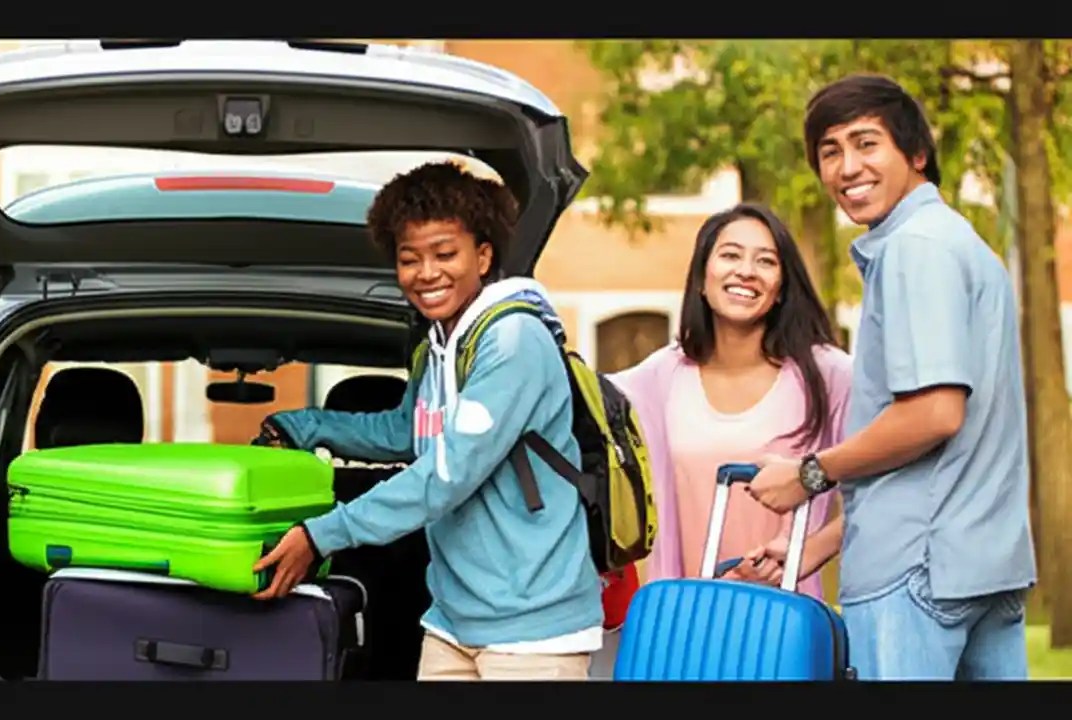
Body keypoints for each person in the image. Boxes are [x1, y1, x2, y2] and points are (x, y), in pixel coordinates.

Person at [249, 160, 604, 681]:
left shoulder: (513, 341)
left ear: (483, 256)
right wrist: (305, 426)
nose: (427, 274)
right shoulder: (438, 346)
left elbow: (446, 475)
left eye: (445, 254)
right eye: (409, 258)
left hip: (533, 628)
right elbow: (405, 433)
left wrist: (323, 534)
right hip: (452, 620)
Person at [746, 73, 1037, 681]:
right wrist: (819, 545)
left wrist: (808, 474)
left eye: (866, 143)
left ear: (917, 154)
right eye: (830, 152)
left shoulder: (914, 248)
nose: (847, 167)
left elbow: (935, 415)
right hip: (986, 568)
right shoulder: (961, 243)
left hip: (916, 577)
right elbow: (943, 461)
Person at [609, 203, 851, 599]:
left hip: (781, 618)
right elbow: (576, 402)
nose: (746, 271)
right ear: (702, 278)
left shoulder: (826, 375)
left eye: (766, 261)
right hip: (682, 616)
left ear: (780, 290)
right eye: (730, 255)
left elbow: (887, 475)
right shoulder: (662, 376)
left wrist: (812, 550)